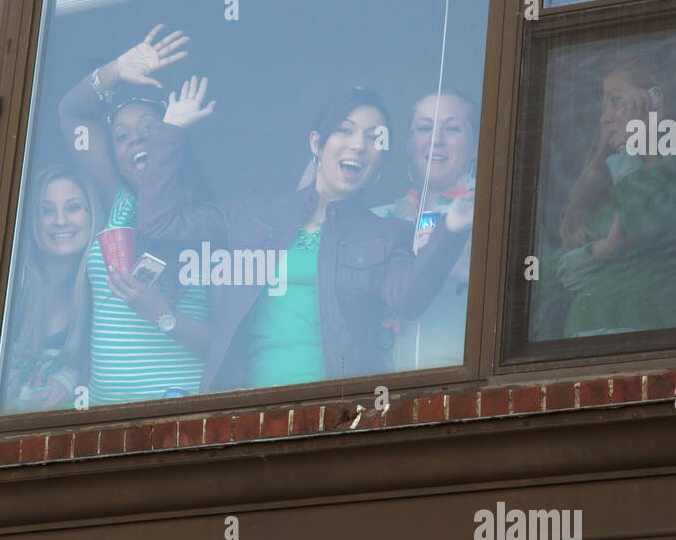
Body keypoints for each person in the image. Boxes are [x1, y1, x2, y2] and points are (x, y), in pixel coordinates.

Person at [138, 81, 465, 392]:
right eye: (345, 130)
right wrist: (171, 131)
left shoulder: (389, 233)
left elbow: (407, 300)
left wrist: (451, 229)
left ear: (380, 163)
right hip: (250, 413)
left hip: (338, 418)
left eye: (374, 138)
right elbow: (162, 223)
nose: (358, 145)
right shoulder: (255, 211)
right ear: (316, 144)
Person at [58, 26, 212, 403]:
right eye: (122, 137)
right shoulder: (120, 201)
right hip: (103, 425)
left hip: (177, 421)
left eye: (151, 129)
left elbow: (225, 345)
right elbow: (71, 112)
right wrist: (115, 70)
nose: (136, 141)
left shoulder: (208, 219)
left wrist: (163, 314)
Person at [533, 59, 676, 338]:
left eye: (616, 102)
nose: (605, 118)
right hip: (583, 353)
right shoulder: (607, 187)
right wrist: (600, 251)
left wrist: (633, 148)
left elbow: (647, 222)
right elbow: (541, 279)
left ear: (656, 101)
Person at [372, 90, 478, 368]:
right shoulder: (378, 221)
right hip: (385, 396)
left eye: (452, 128)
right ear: (407, 145)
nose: (436, 140)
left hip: (462, 390)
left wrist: (461, 269)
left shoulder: (493, 218)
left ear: (476, 146)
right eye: (423, 128)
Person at [0, 166, 100, 413]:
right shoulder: (5, 278)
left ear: (92, 213)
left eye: (73, 208)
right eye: (47, 211)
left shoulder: (98, 290)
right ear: (32, 219)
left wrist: (69, 379)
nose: (60, 221)